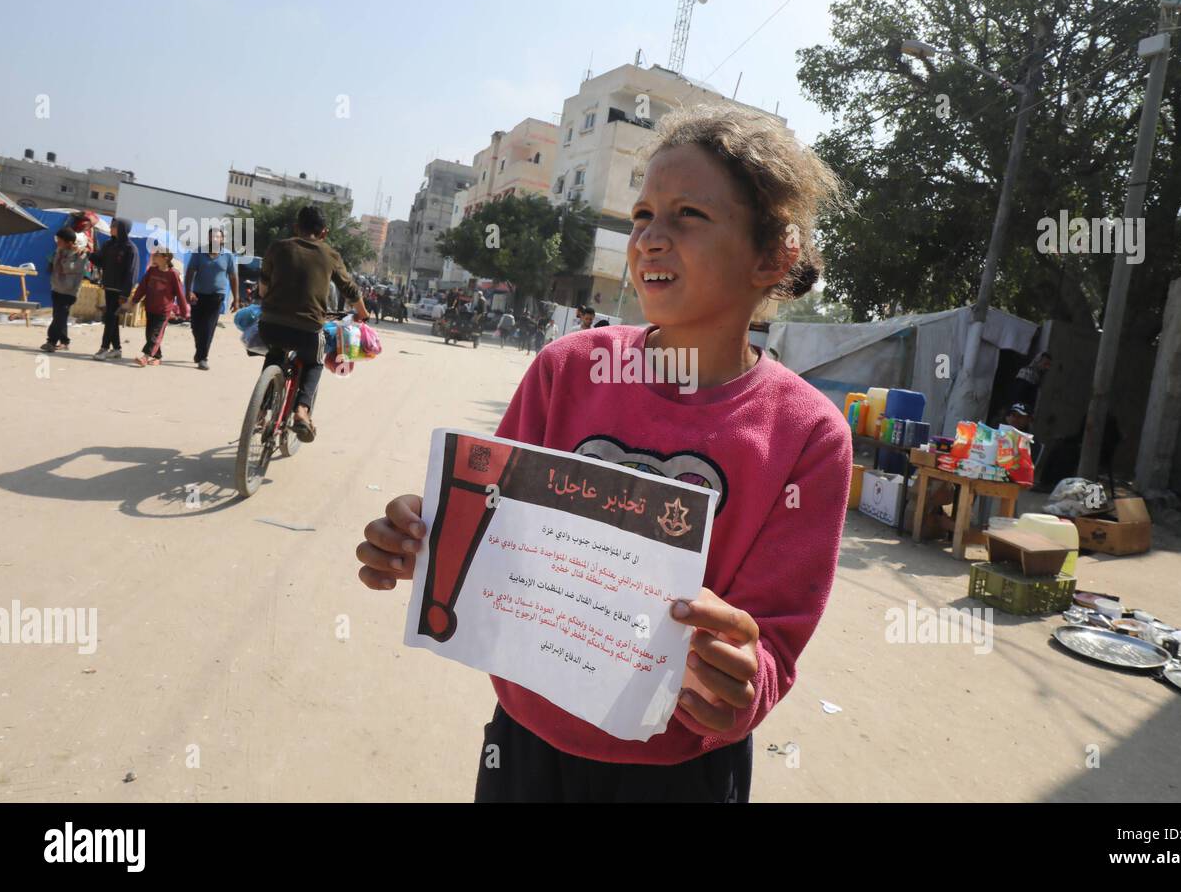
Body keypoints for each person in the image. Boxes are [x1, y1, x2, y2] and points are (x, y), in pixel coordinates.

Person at [354, 104, 852, 802]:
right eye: (643, 214)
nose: (649, 238)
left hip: (678, 775)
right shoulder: (568, 370)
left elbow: (770, 646)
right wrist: (428, 533)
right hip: (524, 746)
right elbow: (496, 523)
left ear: (772, 257)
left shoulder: (807, 434)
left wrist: (740, 679)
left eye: (688, 216)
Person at [258, 205, 367, 442]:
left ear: (297, 228)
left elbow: (263, 287)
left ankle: (260, 410)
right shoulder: (330, 255)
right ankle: (302, 410)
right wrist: (363, 315)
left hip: (270, 325)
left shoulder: (277, 247)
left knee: (275, 353)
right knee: (315, 362)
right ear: (324, 233)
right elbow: (350, 290)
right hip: (307, 330)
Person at [185, 226, 241, 371]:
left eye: (218, 236)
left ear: (222, 240)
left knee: (208, 327)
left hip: (216, 296)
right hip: (197, 295)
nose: (215, 239)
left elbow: (233, 277)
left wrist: (236, 299)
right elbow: (190, 271)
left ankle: (203, 358)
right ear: (208, 238)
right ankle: (200, 351)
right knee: (195, 326)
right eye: (212, 236)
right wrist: (188, 291)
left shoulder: (228, 256)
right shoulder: (199, 252)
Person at [126, 248, 189, 366]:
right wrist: (134, 300)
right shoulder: (151, 271)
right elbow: (142, 287)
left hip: (164, 311)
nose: (154, 256)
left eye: (157, 255)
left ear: (165, 258)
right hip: (150, 308)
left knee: (155, 334)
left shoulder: (173, 274)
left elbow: (180, 294)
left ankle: (145, 357)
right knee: (150, 334)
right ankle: (157, 357)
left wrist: (184, 311)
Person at [89, 217, 139, 360]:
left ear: (123, 228)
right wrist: (88, 254)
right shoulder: (108, 245)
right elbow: (100, 261)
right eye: (112, 225)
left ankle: (104, 348)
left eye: (114, 225)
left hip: (120, 291)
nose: (111, 227)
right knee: (112, 319)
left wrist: (125, 294)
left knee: (110, 318)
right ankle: (117, 349)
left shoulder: (130, 249)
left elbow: (132, 272)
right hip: (108, 287)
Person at [42, 227, 87, 353]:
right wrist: (61, 254)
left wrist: (67, 255)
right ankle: (64, 342)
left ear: (69, 242)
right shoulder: (59, 250)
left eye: (60, 240)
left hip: (69, 291)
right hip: (56, 288)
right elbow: (54, 264)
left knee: (59, 316)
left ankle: (51, 341)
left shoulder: (80, 254)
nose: (57, 242)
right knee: (59, 316)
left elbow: (71, 268)